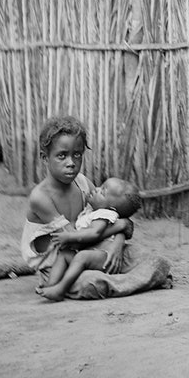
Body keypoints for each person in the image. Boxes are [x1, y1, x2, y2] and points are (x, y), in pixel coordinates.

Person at [19, 116, 131, 299]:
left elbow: (109, 213)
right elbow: (73, 240)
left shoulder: (82, 183)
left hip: (85, 251)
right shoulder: (40, 197)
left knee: (135, 255)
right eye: (62, 155)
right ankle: (59, 287)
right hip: (56, 265)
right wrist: (121, 227)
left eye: (77, 154)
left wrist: (118, 243)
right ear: (44, 157)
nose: (71, 162)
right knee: (92, 283)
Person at [36, 177, 142, 302]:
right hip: (92, 252)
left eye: (102, 192)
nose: (96, 189)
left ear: (111, 208)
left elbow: (95, 233)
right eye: (100, 186)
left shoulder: (103, 214)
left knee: (82, 257)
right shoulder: (92, 211)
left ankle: (60, 289)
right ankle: (50, 285)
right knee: (64, 254)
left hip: (104, 255)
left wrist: (69, 236)